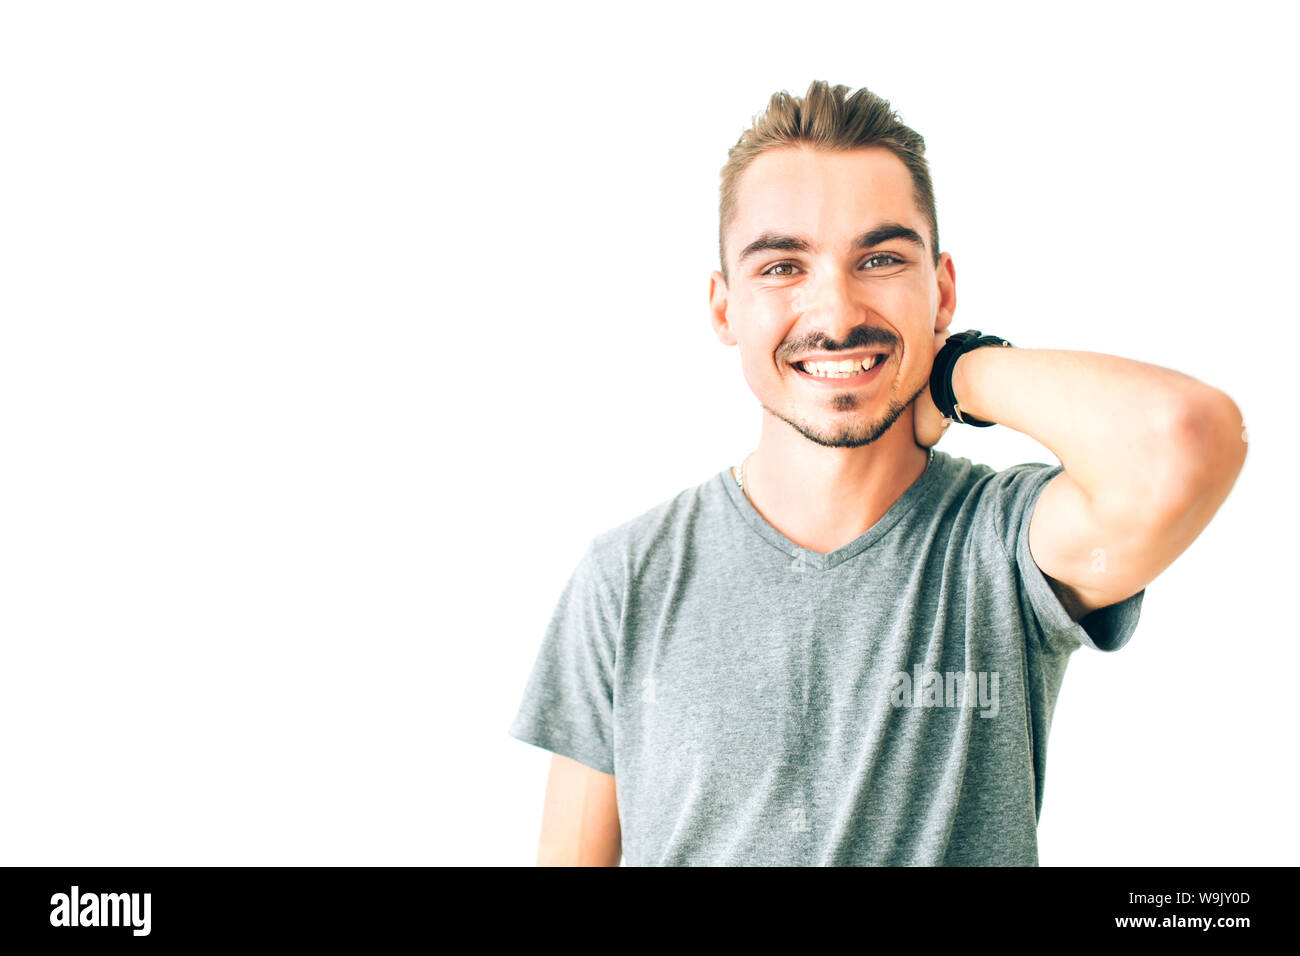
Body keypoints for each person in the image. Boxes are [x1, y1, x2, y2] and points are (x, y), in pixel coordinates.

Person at [507, 79, 1247, 866]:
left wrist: (959, 373)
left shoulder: (1002, 547)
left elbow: (1188, 436)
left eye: (881, 258)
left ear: (943, 290)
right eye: (783, 266)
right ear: (724, 309)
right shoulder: (628, 576)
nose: (835, 313)